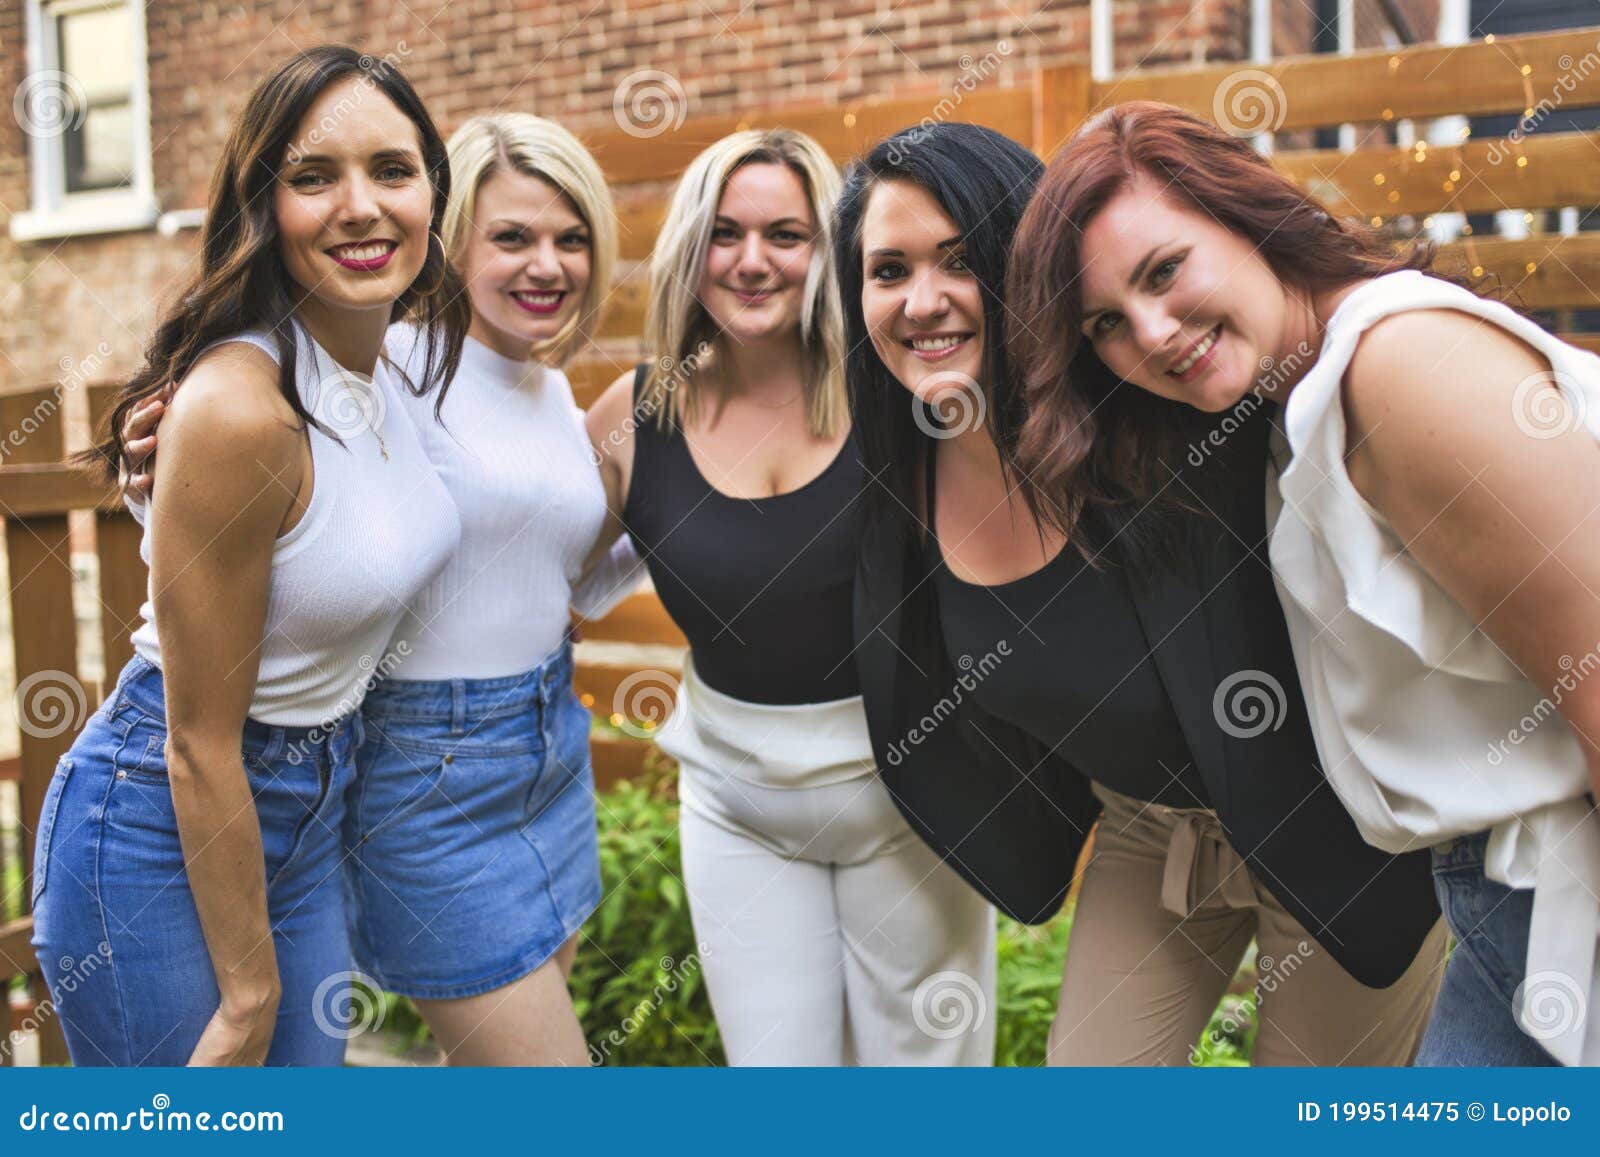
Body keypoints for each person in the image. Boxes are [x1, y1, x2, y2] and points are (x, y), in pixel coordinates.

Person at [841, 120, 1446, 1066]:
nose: (923, 301)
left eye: (959, 260)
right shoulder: (896, 480)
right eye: (889, 270)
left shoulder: (1168, 407)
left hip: (1341, 824)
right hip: (1150, 834)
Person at [1008, 100, 1600, 1066]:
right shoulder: (1303, 403)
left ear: (1247, 217)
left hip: (1562, 894)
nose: (1152, 332)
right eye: (1106, 323)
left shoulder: (1398, 368)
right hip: (1511, 898)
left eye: (1165, 270)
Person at [119, 112, 644, 1065]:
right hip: (426, 774)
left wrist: (680, 522)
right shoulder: (388, 365)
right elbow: (247, 482)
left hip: (549, 747)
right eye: (513, 238)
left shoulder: (552, 392)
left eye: (572, 239)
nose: (548, 265)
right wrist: (146, 472)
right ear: (453, 241)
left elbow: (572, 581)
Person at [32, 45, 467, 1066]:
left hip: (305, 810)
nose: (361, 207)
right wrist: (248, 989)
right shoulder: (242, 408)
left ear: (431, 193)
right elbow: (196, 739)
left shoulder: (384, 361)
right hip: (162, 819)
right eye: (313, 177)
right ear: (263, 207)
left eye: (392, 170)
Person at [584, 127, 995, 1066]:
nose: (752, 261)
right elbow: (528, 559)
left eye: (786, 234)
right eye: (725, 233)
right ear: (690, 249)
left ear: (831, 250)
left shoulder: (901, 395)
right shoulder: (634, 416)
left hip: (913, 799)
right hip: (739, 812)